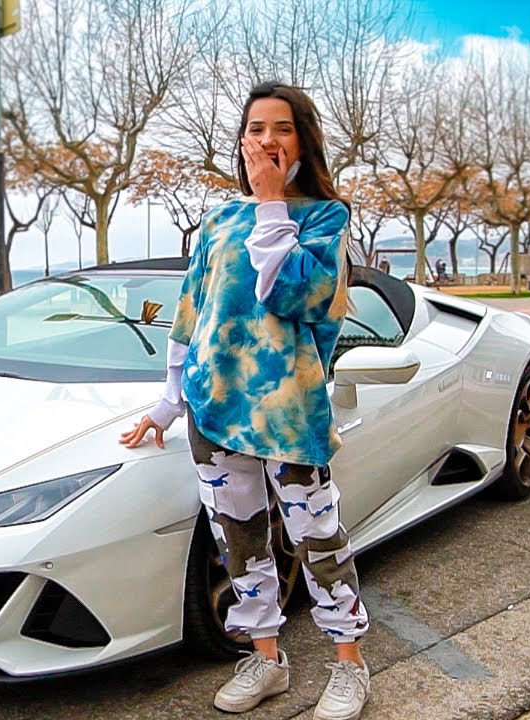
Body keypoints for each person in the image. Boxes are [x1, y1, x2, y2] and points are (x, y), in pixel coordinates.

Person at [119, 82, 371, 720]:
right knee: (238, 539)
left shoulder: (326, 219)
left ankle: (349, 663)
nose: (267, 140)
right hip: (215, 407)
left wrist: (270, 202)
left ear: (303, 140)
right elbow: (191, 311)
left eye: (282, 128)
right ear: (241, 140)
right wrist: (168, 403)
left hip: (289, 411)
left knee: (317, 536)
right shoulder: (218, 219)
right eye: (256, 128)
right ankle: (266, 658)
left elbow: (293, 294)